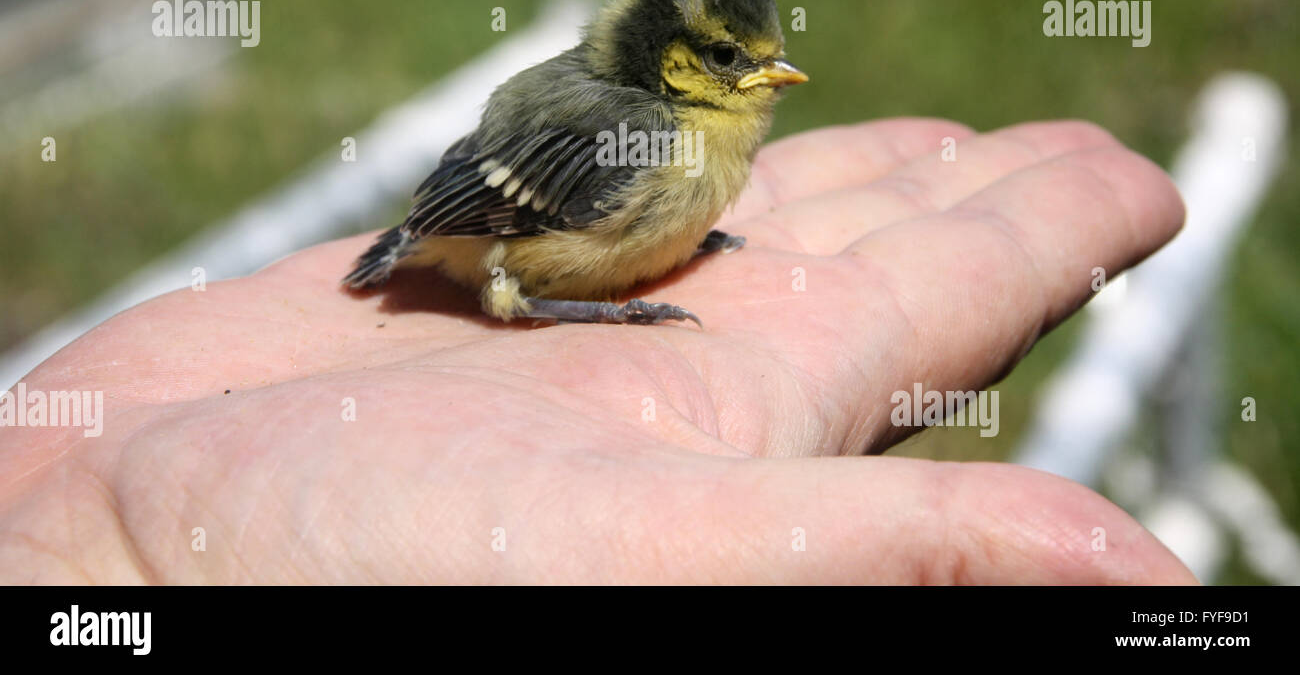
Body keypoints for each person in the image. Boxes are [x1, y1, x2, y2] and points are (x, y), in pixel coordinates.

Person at [0, 118, 1194, 583]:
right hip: (472, 251)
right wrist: (107, 563)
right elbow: (499, 202)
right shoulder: (620, 141)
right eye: (730, 64)